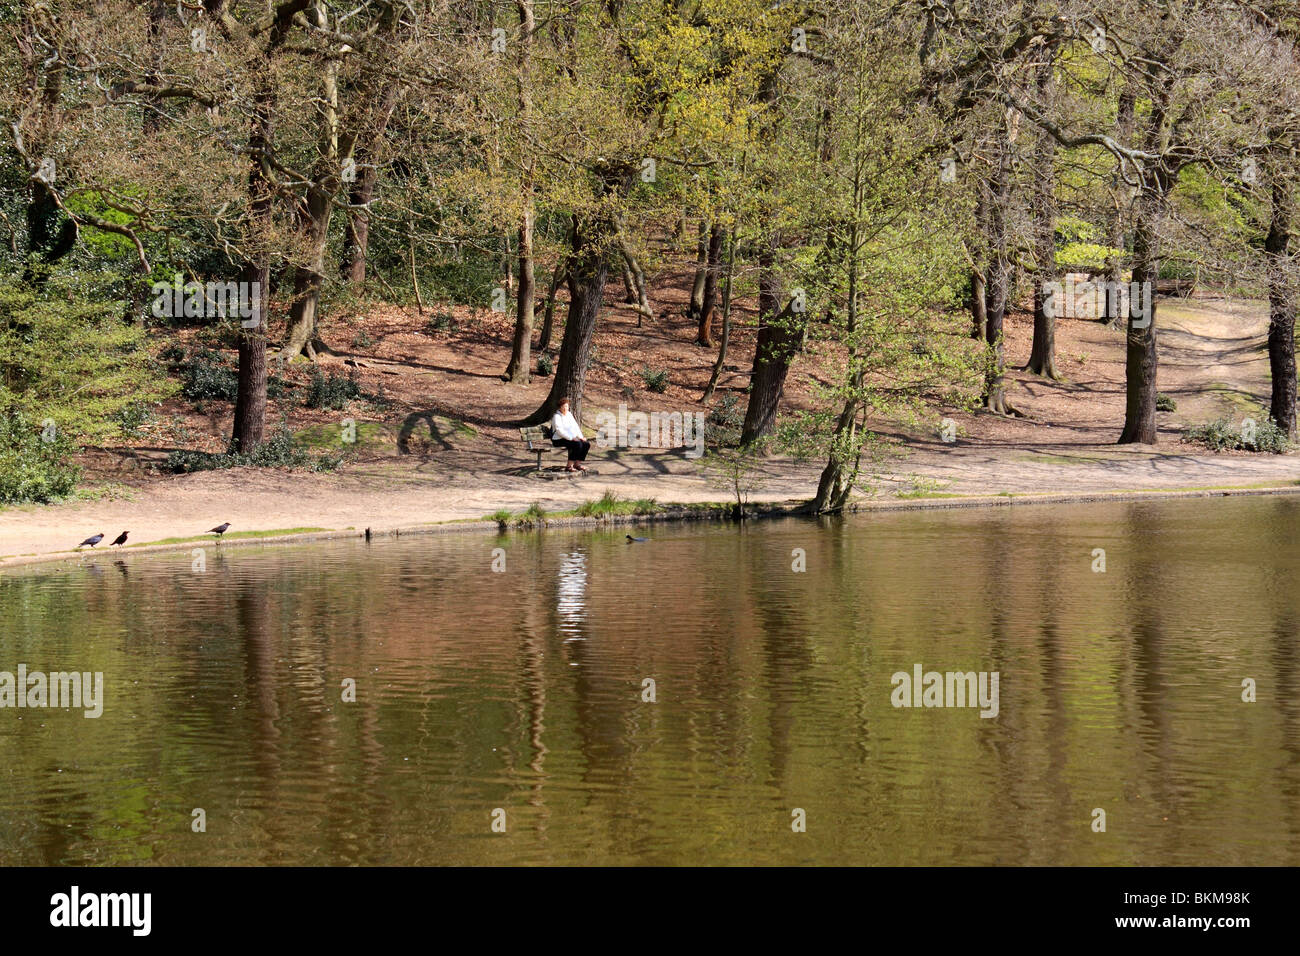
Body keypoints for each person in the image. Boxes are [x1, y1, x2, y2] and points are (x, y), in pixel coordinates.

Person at [550, 398, 591, 472]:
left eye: (566, 406)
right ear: (560, 407)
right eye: (563, 406)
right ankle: (569, 466)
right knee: (577, 444)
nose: (565, 408)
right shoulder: (557, 416)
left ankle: (577, 464)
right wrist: (571, 438)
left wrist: (581, 437)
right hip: (558, 439)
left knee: (586, 444)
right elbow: (559, 431)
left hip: (570, 438)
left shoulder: (569, 414)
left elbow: (575, 426)